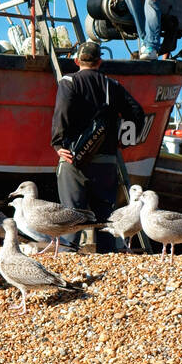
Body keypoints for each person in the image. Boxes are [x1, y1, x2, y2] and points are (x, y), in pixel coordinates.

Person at [51, 41, 145, 253]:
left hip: (73, 160)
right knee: (105, 216)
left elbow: (61, 115)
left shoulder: (69, 82)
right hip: (106, 161)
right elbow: (137, 113)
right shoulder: (113, 85)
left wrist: (58, 144)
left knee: (72, 214)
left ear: (76, 61)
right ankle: (108, 259)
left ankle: (68, 257)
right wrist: (125, 140)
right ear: (99, 61)